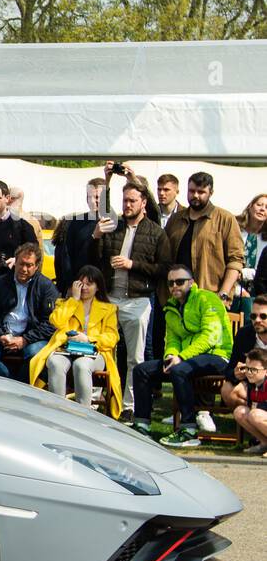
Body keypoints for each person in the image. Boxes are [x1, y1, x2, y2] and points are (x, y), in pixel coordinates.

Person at [90, 180, 170, 420]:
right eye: (124, 200)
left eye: (132, 200)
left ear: (143, 203)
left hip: (139, 299)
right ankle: (95, 401)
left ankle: (130, 406)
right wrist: (95, 237)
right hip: (110, 296)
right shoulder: (113, 226)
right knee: (101, 350)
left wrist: (132, 264)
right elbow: (95, 258)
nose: (127, 205)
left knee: (135, 356)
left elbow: (165, 268)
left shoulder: (156, 232)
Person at [132, 263, 234, 446]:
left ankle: (189, 430)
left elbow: (210, 336)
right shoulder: (170, 307)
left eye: (180, 282)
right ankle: (142, 426)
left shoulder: (207, 299)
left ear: (191, 282)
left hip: (217, 355)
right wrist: (171, 355)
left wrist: (182, 357)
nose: (174, 287)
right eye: (170, 283)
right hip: (185, 359)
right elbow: (171, 340)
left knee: (179, 369)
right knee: (141, 370)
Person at [29, 266, 121, 416]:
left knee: (81, 364)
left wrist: (88, 339)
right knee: (55, 363)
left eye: (89, 284)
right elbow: (56, 321)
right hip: (66, 349)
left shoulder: (109, 309)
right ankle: (57, 413)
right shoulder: (64, 303)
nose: (84, 287)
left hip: (94, 352)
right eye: (81, 283)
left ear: (98, 287)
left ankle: (83, 415)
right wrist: (74, 300)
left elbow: (112, 338)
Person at [164, 171, 243, 313]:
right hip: (177, 299)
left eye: (201, 192)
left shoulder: (225, 219)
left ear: (211, 192)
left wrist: (223, 294)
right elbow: (165, 258)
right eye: (192, 191)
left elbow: (235, 261)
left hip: (210, 297)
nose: (195, 195)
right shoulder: (175, 219)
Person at [0, 242, 57, 380]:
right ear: (15, 262)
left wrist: (24, 340)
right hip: (4, 336)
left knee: (35, 353)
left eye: (29, 265)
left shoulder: (46, 287)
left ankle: (21, 387)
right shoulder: (1, 283)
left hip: (32, 338)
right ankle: (8, 380)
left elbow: (50, 323)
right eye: (21, 263)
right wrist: (0, 335)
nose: (24, 269)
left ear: (36, 266)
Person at [53, 177, 106, 296]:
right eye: (89, 197)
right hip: (79, 286)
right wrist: (69, 284)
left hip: (104, 288)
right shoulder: (75, 223)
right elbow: (66, 257)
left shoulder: (115, 223)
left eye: (97, 197)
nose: (93, 201)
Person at [222, 295, 267, 409]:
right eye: (253, 316)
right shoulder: (244, 335)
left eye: (263, 316)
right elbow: (229, 370)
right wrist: (235, 374)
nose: (257, 320)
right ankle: (253, 419)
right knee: (227, 390)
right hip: (252, 383)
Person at [233, 193, 266, 316]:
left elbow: (262, 273)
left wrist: (243, 272)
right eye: (259, 205)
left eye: (266, 207)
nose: (262, 209)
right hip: (233, 286)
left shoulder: (265, 240)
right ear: (250, 207)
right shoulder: (235, 229)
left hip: (257, 293)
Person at [229, 349, 267, 455]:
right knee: (239, 412)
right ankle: (264, 443)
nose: (249, 373)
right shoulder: (252, 384)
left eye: (254, 370)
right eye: (247, 368)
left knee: (255, 414)